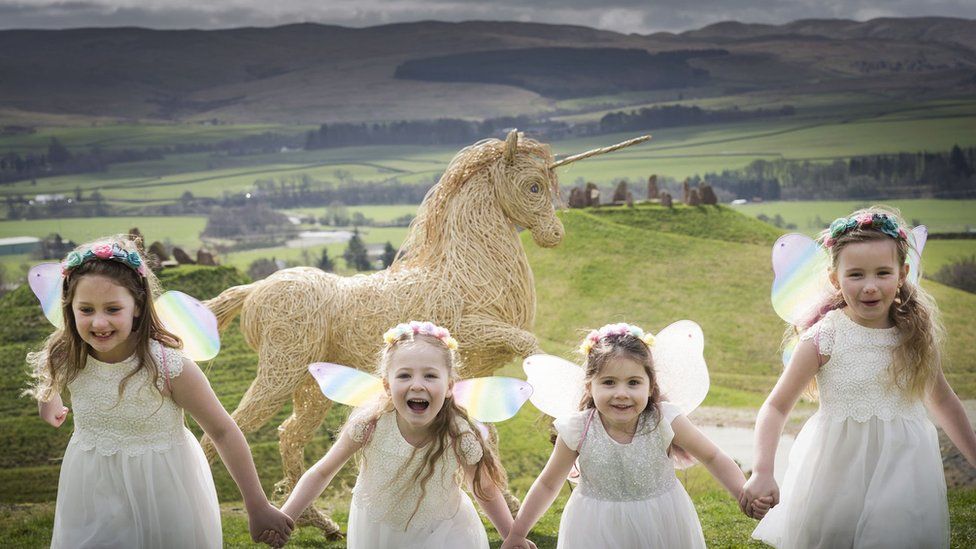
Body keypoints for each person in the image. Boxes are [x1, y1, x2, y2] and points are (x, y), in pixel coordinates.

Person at [26, 236, 293, 548]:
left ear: (137, 307)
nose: (99, 322)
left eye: (113, 309)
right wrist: (50, 401)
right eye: (86, 309)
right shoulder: (66, 355)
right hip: (91, 486)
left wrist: (257, 506)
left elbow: (222, 431)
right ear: (68, 309)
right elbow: (49, 379)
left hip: (165, 488)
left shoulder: (168, 367)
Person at [742, 207, 976, 548]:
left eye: (883, 273)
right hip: (836, 474)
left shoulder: (915, 336)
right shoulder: (824, 338)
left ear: (902, 274)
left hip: (905, 469)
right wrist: (763, 470)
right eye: (856, 275)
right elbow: (776, 407)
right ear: (836, 278)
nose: (870, 287)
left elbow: (942, 400)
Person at [502, 323, 768, 549]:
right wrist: (517, 533)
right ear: (590, 386)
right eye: (608, 382)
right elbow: (548, 484)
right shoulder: (577, 429)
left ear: (650, 386)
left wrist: (741, 493)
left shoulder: (664, 419)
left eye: (633, 382)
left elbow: (712, 456)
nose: (621, 393)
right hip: (595, 526)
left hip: (662, 520)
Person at [279, 320, 523, 549]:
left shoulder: (458, 433)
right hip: (379, 529)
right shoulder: (370, 424)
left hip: (443, 530)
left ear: (449, 386)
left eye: (430, 375)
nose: (417, 384)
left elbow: (485, 487)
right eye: (405, 375)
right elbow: (322, 472)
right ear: (387, 386)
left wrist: (512, 536)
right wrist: (285, 516)